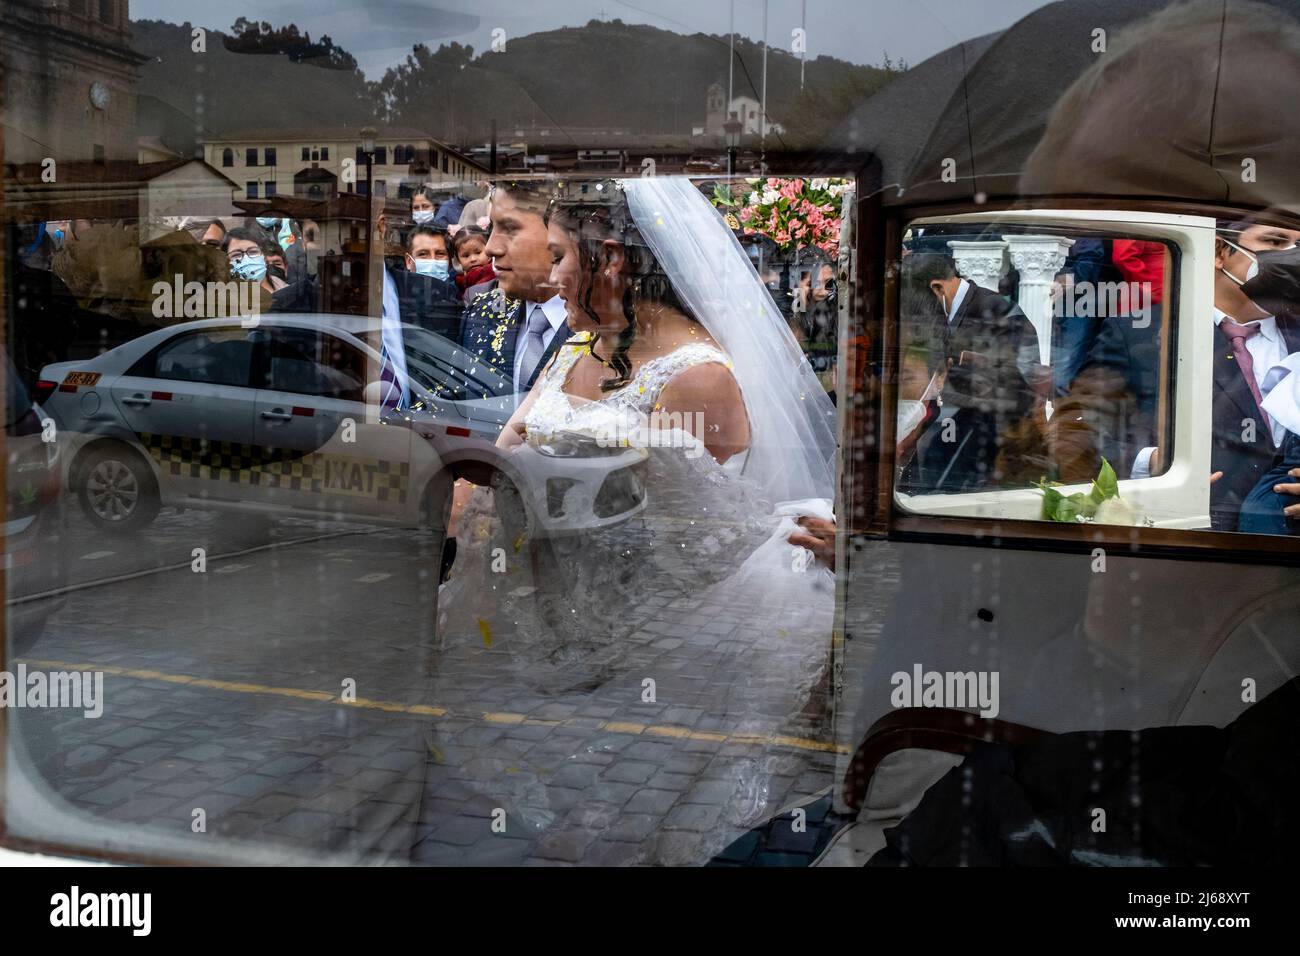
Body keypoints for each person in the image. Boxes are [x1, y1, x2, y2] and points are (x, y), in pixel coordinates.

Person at [421, 176, 838, 865]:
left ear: (611, 262)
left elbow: (693, 545)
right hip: (549, 612)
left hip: (645, 638)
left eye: (559, 257)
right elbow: (513, 446)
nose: (550, 278)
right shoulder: (580, 347)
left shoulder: (698, 376)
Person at [459, 181, 571, 394]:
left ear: (562, 234)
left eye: (509, 228)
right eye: (492, 228)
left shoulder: (600, 323)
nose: (491, 248)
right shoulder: (483, 311)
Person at [223, 226, 288, 296]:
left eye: (253, 252)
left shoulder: (287, 291)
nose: (246, 259)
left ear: (264, 256)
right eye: (236, 255)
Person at [450, 224, 494, 299]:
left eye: (478, 252)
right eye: (466, 256)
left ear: (489, 250)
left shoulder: (495, 275)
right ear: (458, 260)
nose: (473, 259)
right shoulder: (458, 283)